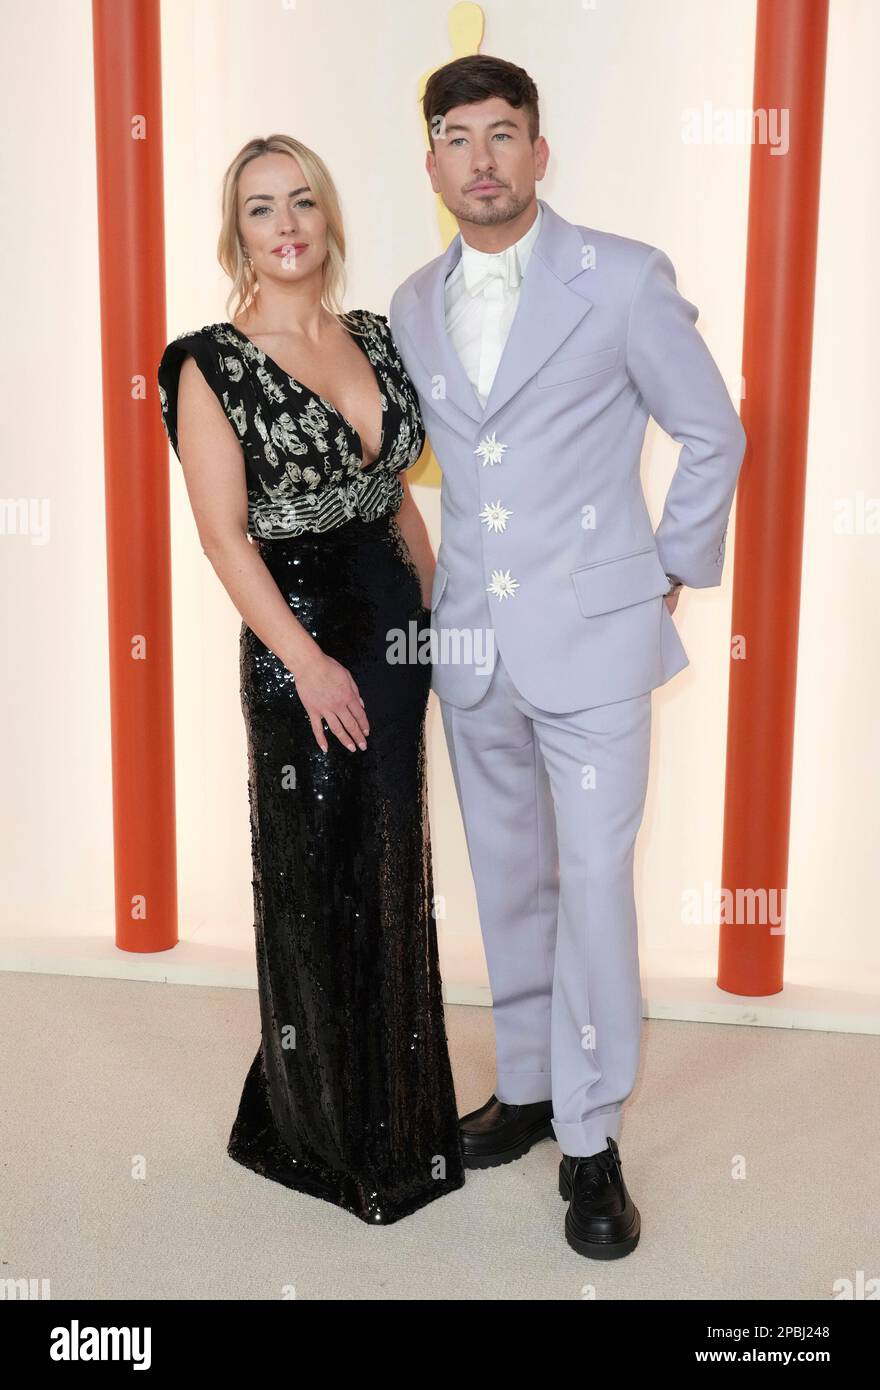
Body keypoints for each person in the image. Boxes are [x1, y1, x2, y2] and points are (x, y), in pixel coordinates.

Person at [390, 55, 747, 1258]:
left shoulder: (626, 278)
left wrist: (669, 568)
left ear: (539, 152)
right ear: (431, 164)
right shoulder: (411, 303)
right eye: (456, 137)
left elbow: (712, 431)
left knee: (593, 886)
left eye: (503, 133)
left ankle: (592, 1136)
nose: (481, 158)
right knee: (508, 881)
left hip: (595, 638)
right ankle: (532, 1083)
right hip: (471, 641)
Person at [157, 134, 464, 1224]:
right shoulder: (206, 362)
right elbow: (223, 537)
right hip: (303, 641)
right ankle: (324, 1130)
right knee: (321, 871)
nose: (285, 225)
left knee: (391, 855)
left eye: (301, 202)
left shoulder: (374, 335)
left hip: (395, 629)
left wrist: (438, 615)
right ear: (235, 233)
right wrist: (307, 661)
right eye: (259, 209)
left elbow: (395, 496)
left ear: (328, 217)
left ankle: (402, 1115)